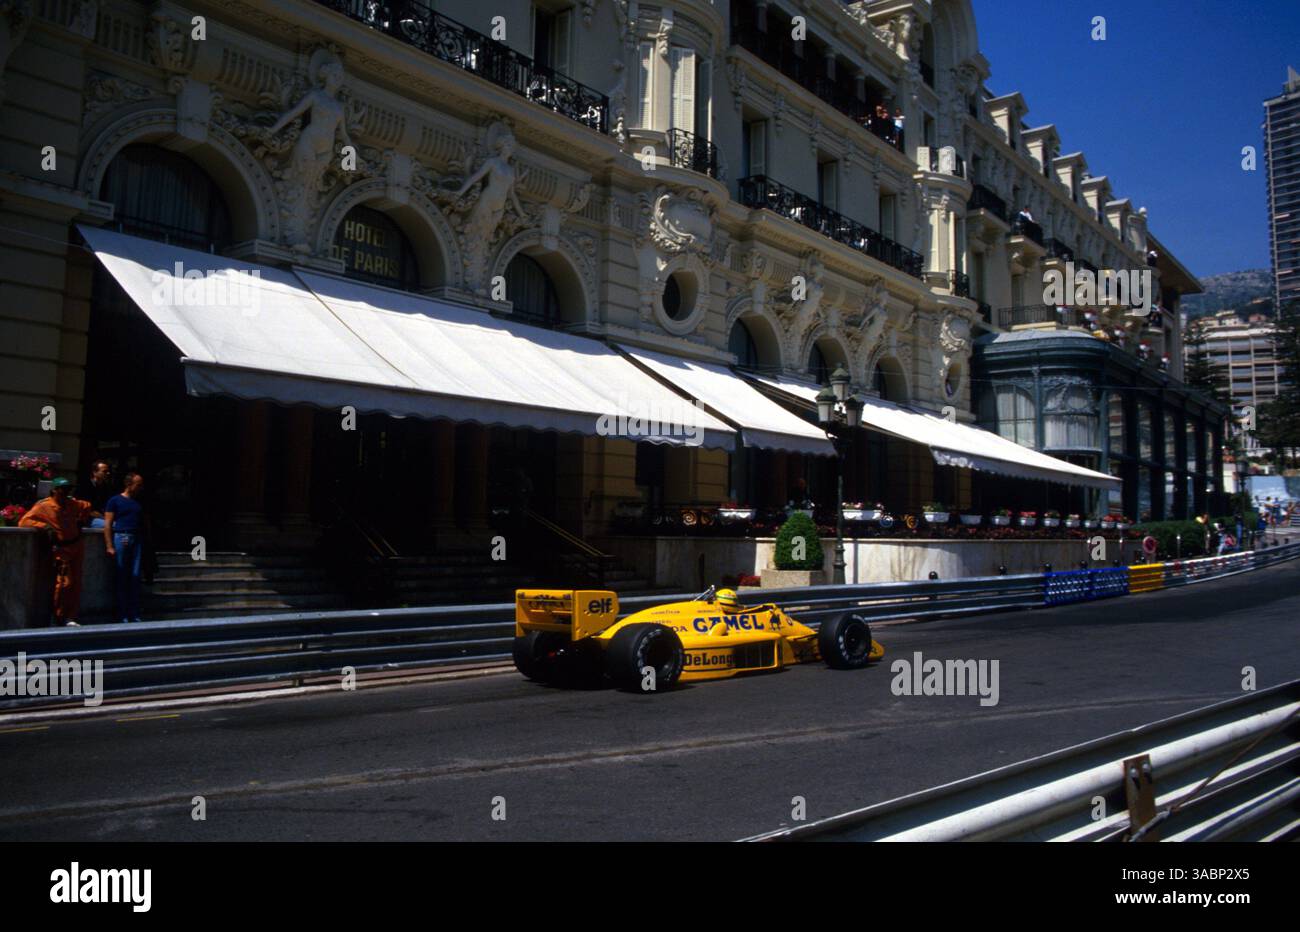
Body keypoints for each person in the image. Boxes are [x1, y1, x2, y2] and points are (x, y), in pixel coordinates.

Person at [18, 477, 92, 626]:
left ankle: (71, 616)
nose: (66, 493)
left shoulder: (73, 504)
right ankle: (59, 615)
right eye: (63, 490)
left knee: (76, 583)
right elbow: (24, 521)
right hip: (61, 549)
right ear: (54, 490)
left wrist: (81, 519)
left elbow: (87, 506)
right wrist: (43, 526)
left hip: (76, 546)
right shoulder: (44, 506)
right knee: (64, 583)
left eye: (68, 490)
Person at [104, 472, 146, 624]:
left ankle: (133, 612)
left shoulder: (137, 503)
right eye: (138, 484)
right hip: (122, 537)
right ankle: (122, 613)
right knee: (122, 575)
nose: (140, 488)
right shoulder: (115, 500)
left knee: (134, 576)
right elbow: (108, 524)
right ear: (129, 484)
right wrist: (109, 545)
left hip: (136, 538)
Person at [79, 460, 113, 528]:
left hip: (101, 517)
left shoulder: (105, 487)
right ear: (95, 472)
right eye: (104, 471)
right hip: (88, 518)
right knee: (113, 525)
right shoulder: (85, 486)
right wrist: (104, 517)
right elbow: (86, 508)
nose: (108, 473)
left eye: (108, 471)